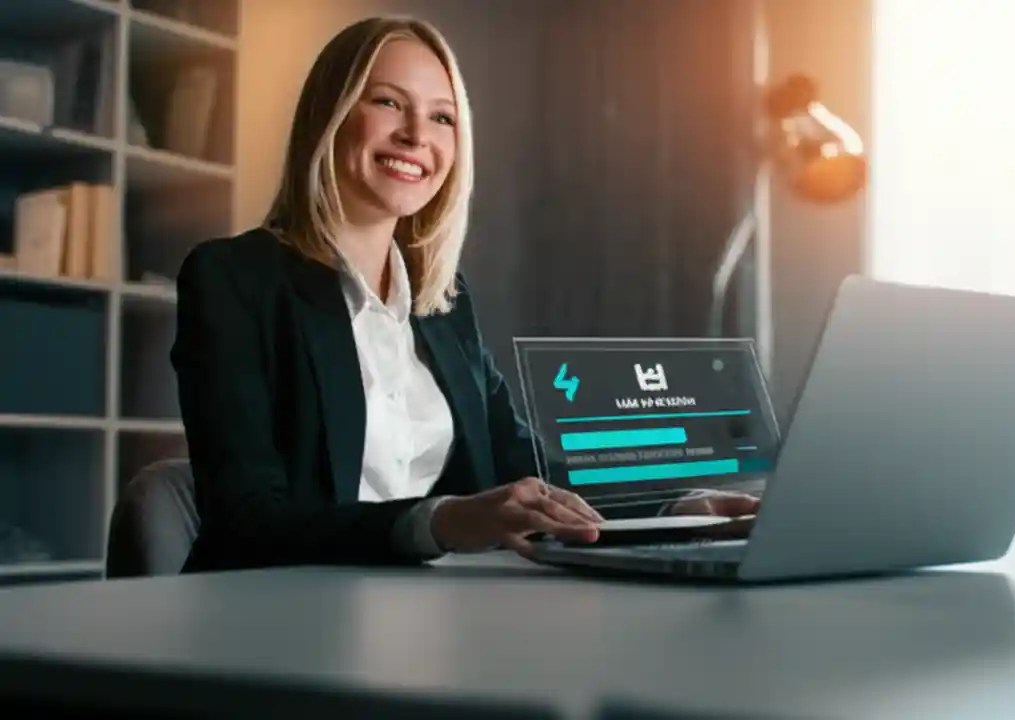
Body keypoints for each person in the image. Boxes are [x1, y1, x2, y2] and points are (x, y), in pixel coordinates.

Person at [171, 16, 758, 572]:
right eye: (388, 102)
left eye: (442, 117)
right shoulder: (232, 279)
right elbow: (248, 521)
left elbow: (522, 467)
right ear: (330, 112)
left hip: (431, 614)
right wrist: (442, 522)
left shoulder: (444, 305)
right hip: (281, 614)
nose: (416, 135)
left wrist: (676, 507)